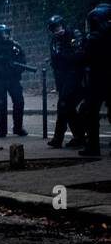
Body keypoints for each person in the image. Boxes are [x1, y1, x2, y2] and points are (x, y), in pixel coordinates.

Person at [47, 16, 86, 150]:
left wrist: (63, 57)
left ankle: (59, 138)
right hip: (64, 78)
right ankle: (78, 136)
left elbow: (79, 55)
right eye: (54, 27)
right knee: (66, 107)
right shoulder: (54, 41)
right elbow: (55, 61)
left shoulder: (74, 35)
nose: (57, 29)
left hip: (77, 77)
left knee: (64, 105)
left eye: (58, 26)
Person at [0, 24, 28, 138]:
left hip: (13, 79)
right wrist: (0, 59)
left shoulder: (15, 46)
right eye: (2, 34)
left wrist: (16, 68)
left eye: (6, 33)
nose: (5, 36)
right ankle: (1, 130)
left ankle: (18, 127)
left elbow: (22, 61)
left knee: (19, 102)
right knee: (0, 104)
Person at [79, 4, 111, 158]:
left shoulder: (94, 38)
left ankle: (93, 147)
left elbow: (84, 58)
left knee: (90, 112)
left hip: (98, 78)